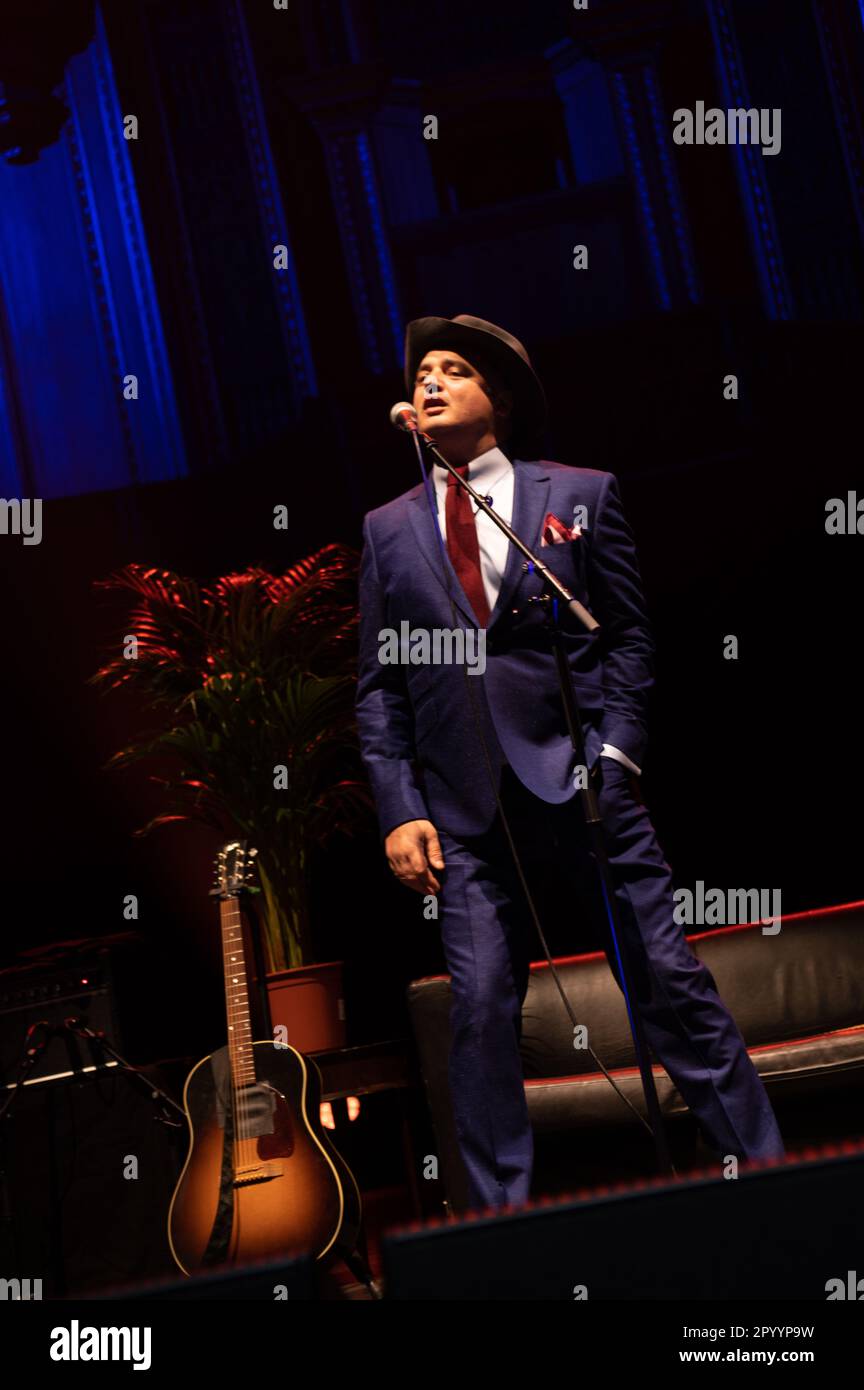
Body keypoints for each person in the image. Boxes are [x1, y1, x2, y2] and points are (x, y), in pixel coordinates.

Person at [355, 313, 785, 1213]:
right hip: (463, 811)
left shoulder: (580, 493)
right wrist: (398, 806)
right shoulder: (388, 530)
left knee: (667, 978)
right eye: (422, 371)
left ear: (497, 400)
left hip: (584, 783)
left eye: (455, 369)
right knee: (476, 1013)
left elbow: (627, 636)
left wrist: (617, 753)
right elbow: (380, 686)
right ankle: (500, 1225)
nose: (430, 382)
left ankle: (768, 1179)